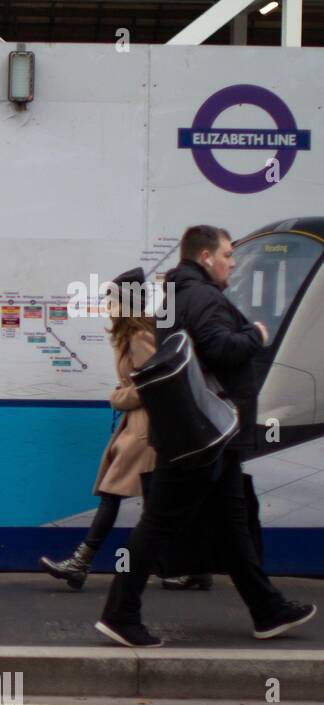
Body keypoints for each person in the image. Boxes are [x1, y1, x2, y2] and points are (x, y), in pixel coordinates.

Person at [96, 225, 317, 647]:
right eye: (228, 255)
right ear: (205, 257)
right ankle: (120, 612)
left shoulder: (176, 297)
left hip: (206, 433)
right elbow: (220, 350)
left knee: (234, 526)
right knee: (157, 524)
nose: (233, 263)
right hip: (202, 436)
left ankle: (266, 609)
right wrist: (256, 334)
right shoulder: (201, 297)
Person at [41, 267, 181, 590]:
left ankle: (80, 563)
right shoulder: (127, 335)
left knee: (112, 494)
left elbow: (155, 384)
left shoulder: (140, 336)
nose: (107, 305)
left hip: (144, 433)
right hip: (137, 430)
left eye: (112, 299)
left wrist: (119, 397)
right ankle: (178, 567)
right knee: (150, 504)